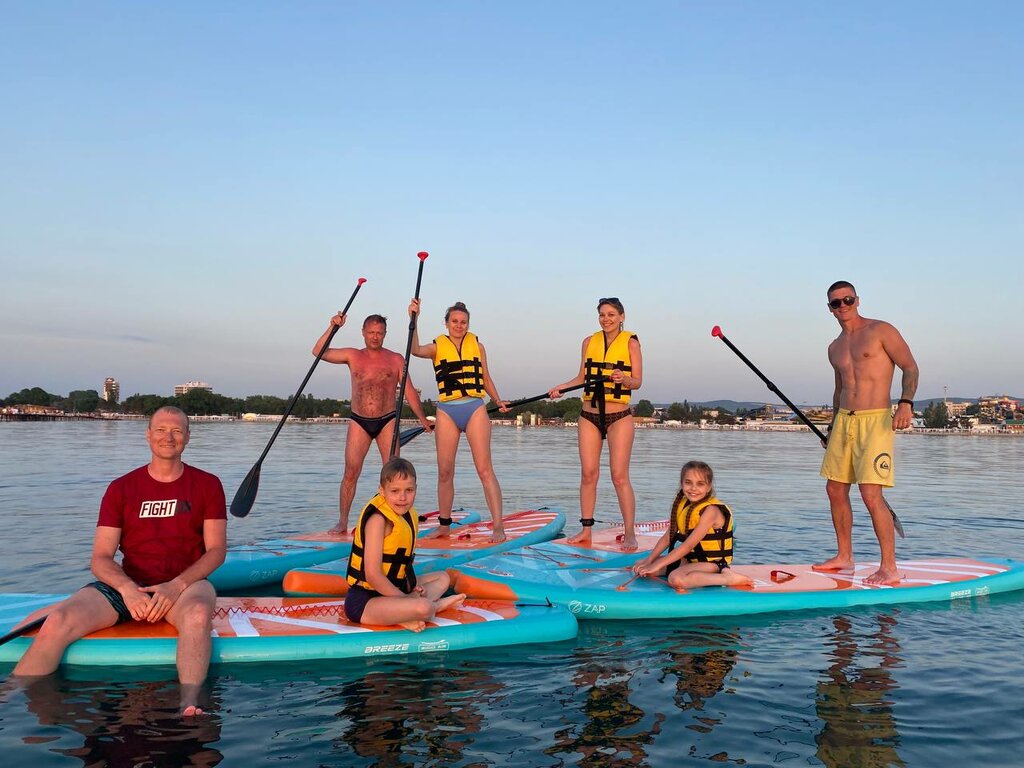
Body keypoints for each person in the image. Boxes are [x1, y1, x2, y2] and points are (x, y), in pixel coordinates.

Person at [10, 406, 227, 717]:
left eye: (177, 430)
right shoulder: (121, 488)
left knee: (196, 616)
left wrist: (175, 586)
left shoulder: (207, 484)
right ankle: (9, 697)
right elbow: (100, 558)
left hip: (184, 586)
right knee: (57, 621)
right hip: (128, 585)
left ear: (188, 438)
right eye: (161, 430)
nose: (169, 437)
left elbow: (216, 550)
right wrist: (126, 589)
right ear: (148, 435)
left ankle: (190, 705)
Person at [814, 280, 919, 586]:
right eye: (836, 302)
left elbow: (910, 368)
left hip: (875, 420)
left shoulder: (881, 331)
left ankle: (890, 568)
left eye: (847, 299)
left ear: (857, 300)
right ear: (829, 308)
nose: (843, 306)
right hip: (845, 421)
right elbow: (839, 389)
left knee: (871, 494)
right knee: (835, 489)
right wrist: (832, 427)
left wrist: (906, 404)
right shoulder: (834, 347)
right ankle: (844, 556)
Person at [313, 312, 434, 535]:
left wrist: (422, 418)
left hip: (387, 420)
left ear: (385, 334)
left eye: (379, 333)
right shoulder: (353, 355)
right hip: (359, 421)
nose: (375, 337)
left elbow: (409, 391)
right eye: (371, 332)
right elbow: (318, 352)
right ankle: (342, 522)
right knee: (350, 473)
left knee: (395, 473)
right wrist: (333, 327)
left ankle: (395, 521)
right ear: (363, 332)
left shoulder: (396, 359)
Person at [408, 299, 508, 543]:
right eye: (454, 321)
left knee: (484, 470)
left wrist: (498, 400)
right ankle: (444, 525)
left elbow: (485, 377)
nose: (459, 325)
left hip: (474, 408)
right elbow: (414, 350)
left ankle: (498, 526)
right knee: (444, 471)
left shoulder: (478, 346)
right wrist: (413, 318)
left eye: (463, 322)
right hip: (446, 411)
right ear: (446, 323)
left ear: (468, 324)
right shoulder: (435, 347)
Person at [549, 297, 642, 550]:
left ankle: (630, 532)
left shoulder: (631, 342)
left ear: (622, 316)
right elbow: (581, 376)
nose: (606, 319)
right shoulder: (588, 342)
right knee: (589, 474)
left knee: (619, 476)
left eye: (611, 314)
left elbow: (638, 382)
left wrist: (624, 378)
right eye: (602, 314)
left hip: (619, 416)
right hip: (588, 415)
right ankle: (585, 530)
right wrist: (562, 388)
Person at [343, 457, 465, 631]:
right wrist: (407, 599)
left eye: (409, 490)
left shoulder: (408, 516)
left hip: (395, 591)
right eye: (395, 491)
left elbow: (401, 564)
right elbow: (372, 575)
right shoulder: (378, 520)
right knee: (424, 607)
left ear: (416, 489)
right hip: (365, 602)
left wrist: (412, 586)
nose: (402, 497)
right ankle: (434, 607)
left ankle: (403, 615)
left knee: (442, 578)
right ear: (382, 491)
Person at [631, 461, 752, 589]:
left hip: (713, 563)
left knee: (676, 579)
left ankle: (727, 578)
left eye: (700, 484)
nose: (693, 488)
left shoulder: (710, 511)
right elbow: (668, 537)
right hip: (691, 561)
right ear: (682, 484)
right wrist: (649, 560)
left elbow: (688, 545)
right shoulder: (682, 504)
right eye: (688, 483)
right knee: (640, 565)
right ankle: (689, 573)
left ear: (709, 486)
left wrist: (658, 564)